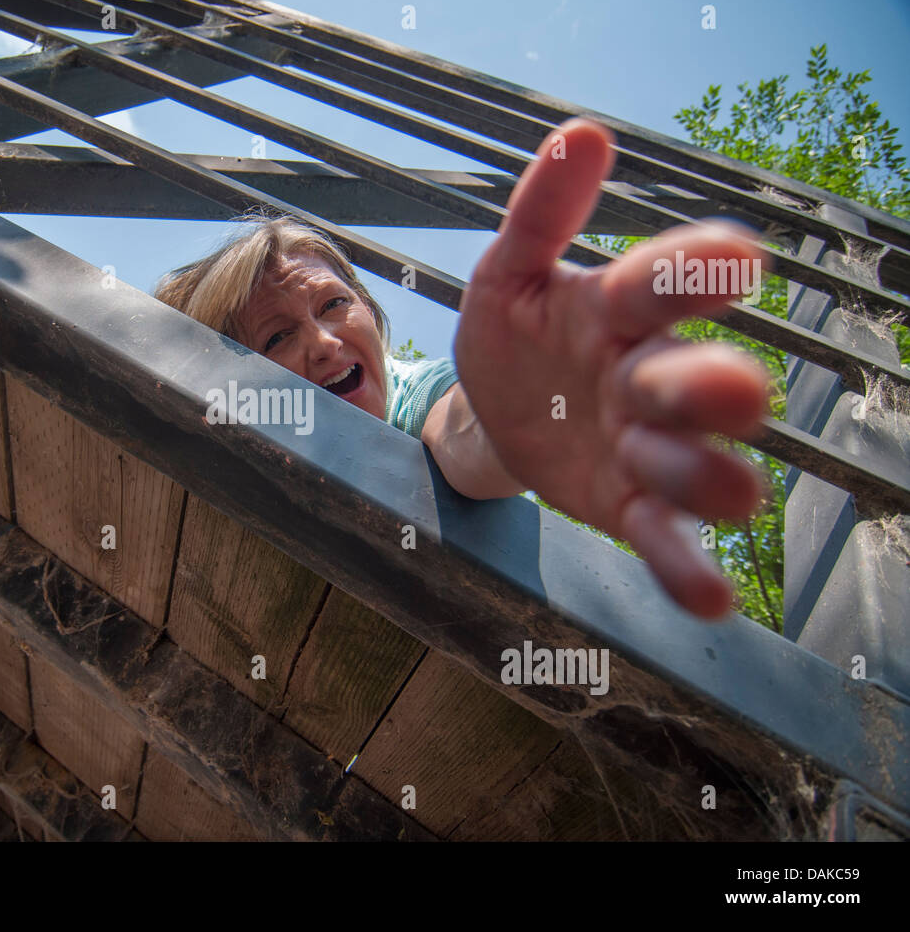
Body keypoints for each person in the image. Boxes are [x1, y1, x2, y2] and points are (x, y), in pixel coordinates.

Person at [154, 118, 771, 621]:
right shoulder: (214, 461)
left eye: (334, 304)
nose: (321, 342)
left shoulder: (410, 391)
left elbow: (462, 431)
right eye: (279, 335)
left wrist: (521, 413)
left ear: (369, 313)